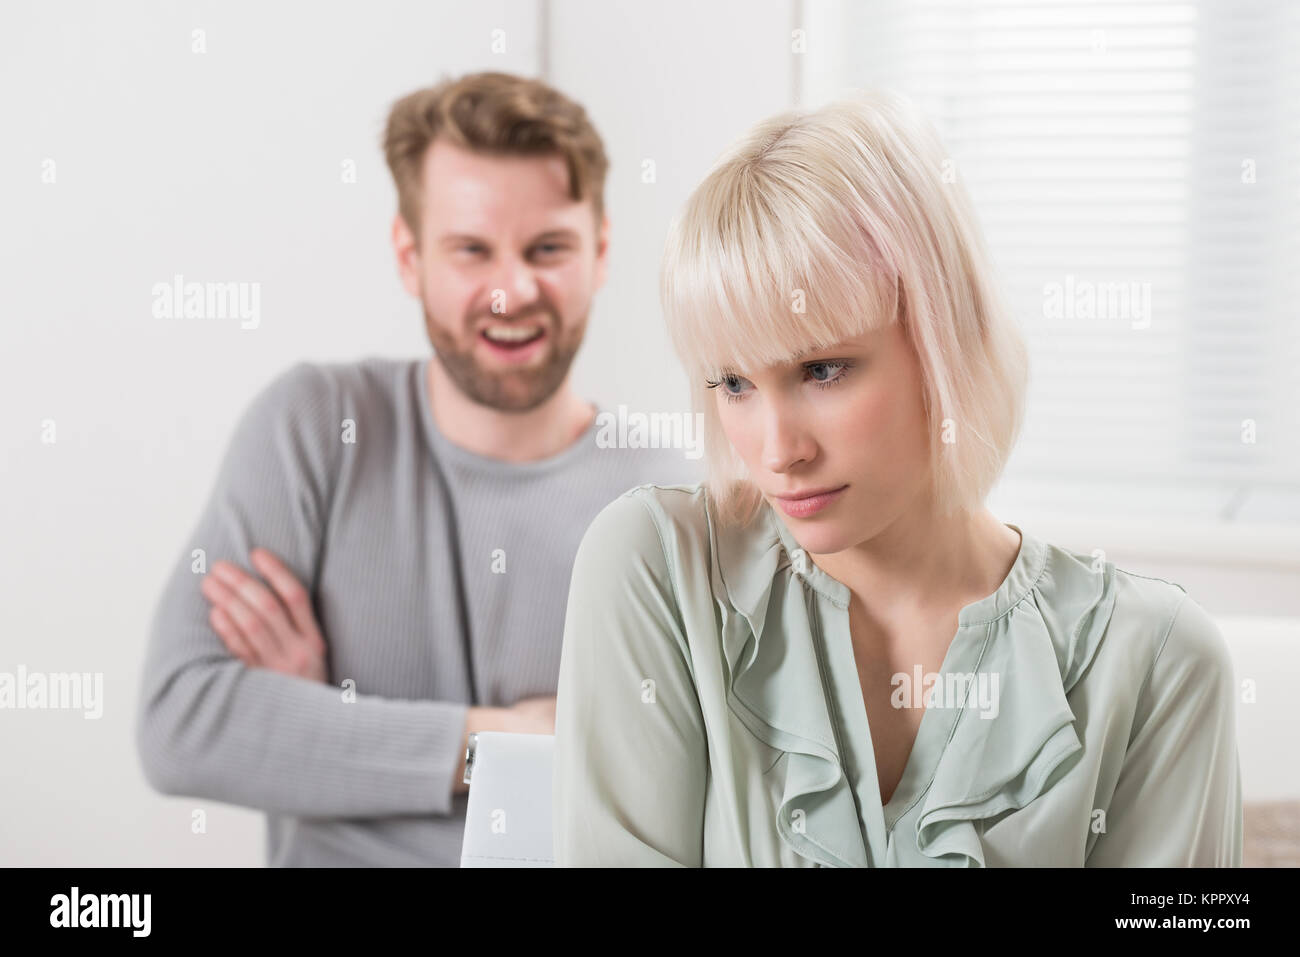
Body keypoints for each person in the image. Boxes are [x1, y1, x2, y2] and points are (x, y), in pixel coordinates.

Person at [551, 89, 1243, 867]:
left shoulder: (1157, 662)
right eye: (733, 383)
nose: (777, 449)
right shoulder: (657, 571)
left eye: (822, 368)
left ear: (943, 336)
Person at [135, 71, 698, 866]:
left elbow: (687, 795)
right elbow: (182, 724)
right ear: (409, 257)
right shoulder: (314, 428)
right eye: (471, 250)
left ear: (601, 251)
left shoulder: (673, 501)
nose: (512, 291)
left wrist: (319, 726)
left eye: (548, 248)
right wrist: (511, 738)